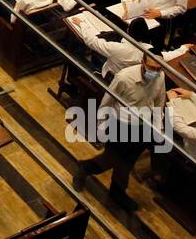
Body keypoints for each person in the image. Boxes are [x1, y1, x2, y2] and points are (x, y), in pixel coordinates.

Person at [72, 55, 167, 209]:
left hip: (144, 126)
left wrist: (159, 128)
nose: (155, 71)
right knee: (111, 158)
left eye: (158, 68)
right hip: (121, 124)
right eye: (152, 67)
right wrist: (101, 127)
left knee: (128, 161)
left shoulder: (160, 76)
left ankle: (117, 192)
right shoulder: (124, 77)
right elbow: (107, 102)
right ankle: (85, 168)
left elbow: (159, 103)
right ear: (142, 62)